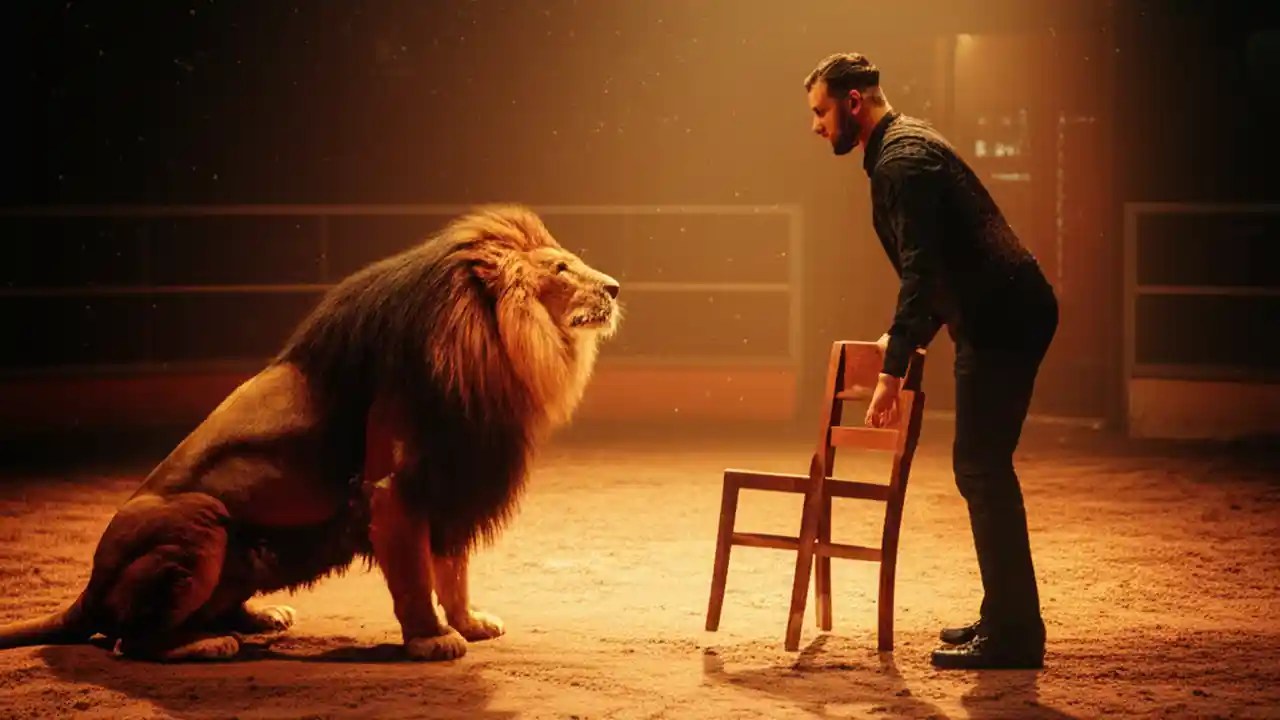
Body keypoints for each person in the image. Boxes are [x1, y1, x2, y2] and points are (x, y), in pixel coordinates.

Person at [802, 52, 1059, 670]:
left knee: (981, 467)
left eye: (821, 111)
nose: (816, 126)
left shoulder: (902, 161)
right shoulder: (905, 145)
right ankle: (1005, 616)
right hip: (1001, 311)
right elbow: (940, 268)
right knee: (982, 467)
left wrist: (892, 372)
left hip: (1002, 318)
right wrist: (904, 341)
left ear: (853, 102)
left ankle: (1015, 634)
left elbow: (923, 271)